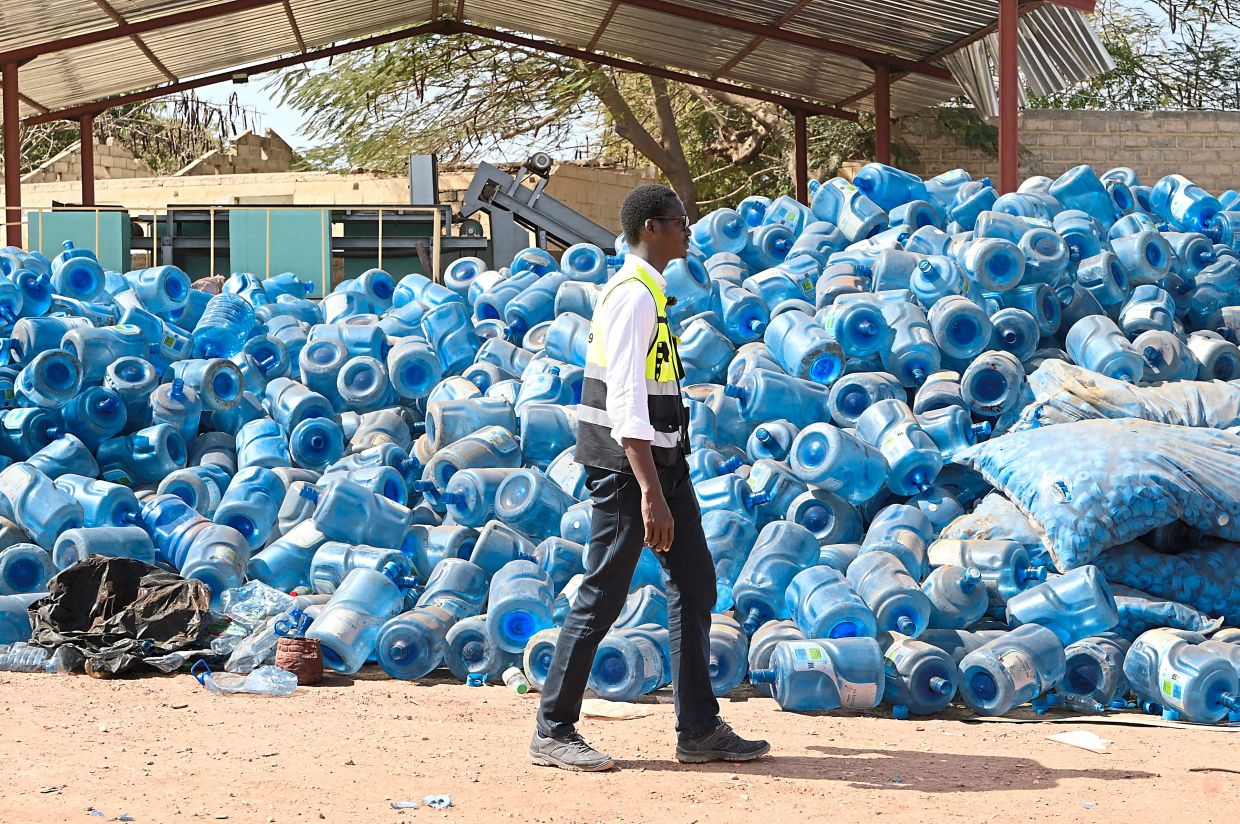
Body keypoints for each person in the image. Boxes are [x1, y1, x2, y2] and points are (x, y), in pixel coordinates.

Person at [529, 184, 770, 771]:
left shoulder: (649, 292)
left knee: (695, 584)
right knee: (602, 594)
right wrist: (650, 493)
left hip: (663, 463)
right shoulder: (633, 296)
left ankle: (699, 728)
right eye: (681, 222)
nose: (689, 231)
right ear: (653, 229)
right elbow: (626, 402)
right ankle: (553, 729)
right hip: (627, 469)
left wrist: (665, 477)